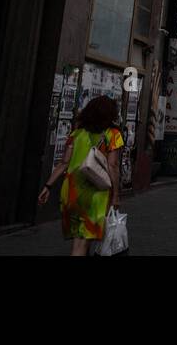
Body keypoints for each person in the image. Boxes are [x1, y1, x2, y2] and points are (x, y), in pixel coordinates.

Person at [39, 95, 123, 256]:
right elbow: (113, 166)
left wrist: (47, 186)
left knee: (80, 240)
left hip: (71, 191)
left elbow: (64, 163)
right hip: (95, 193)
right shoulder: (113, 134)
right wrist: (116, 196)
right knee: (83, 242)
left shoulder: (76, 134)